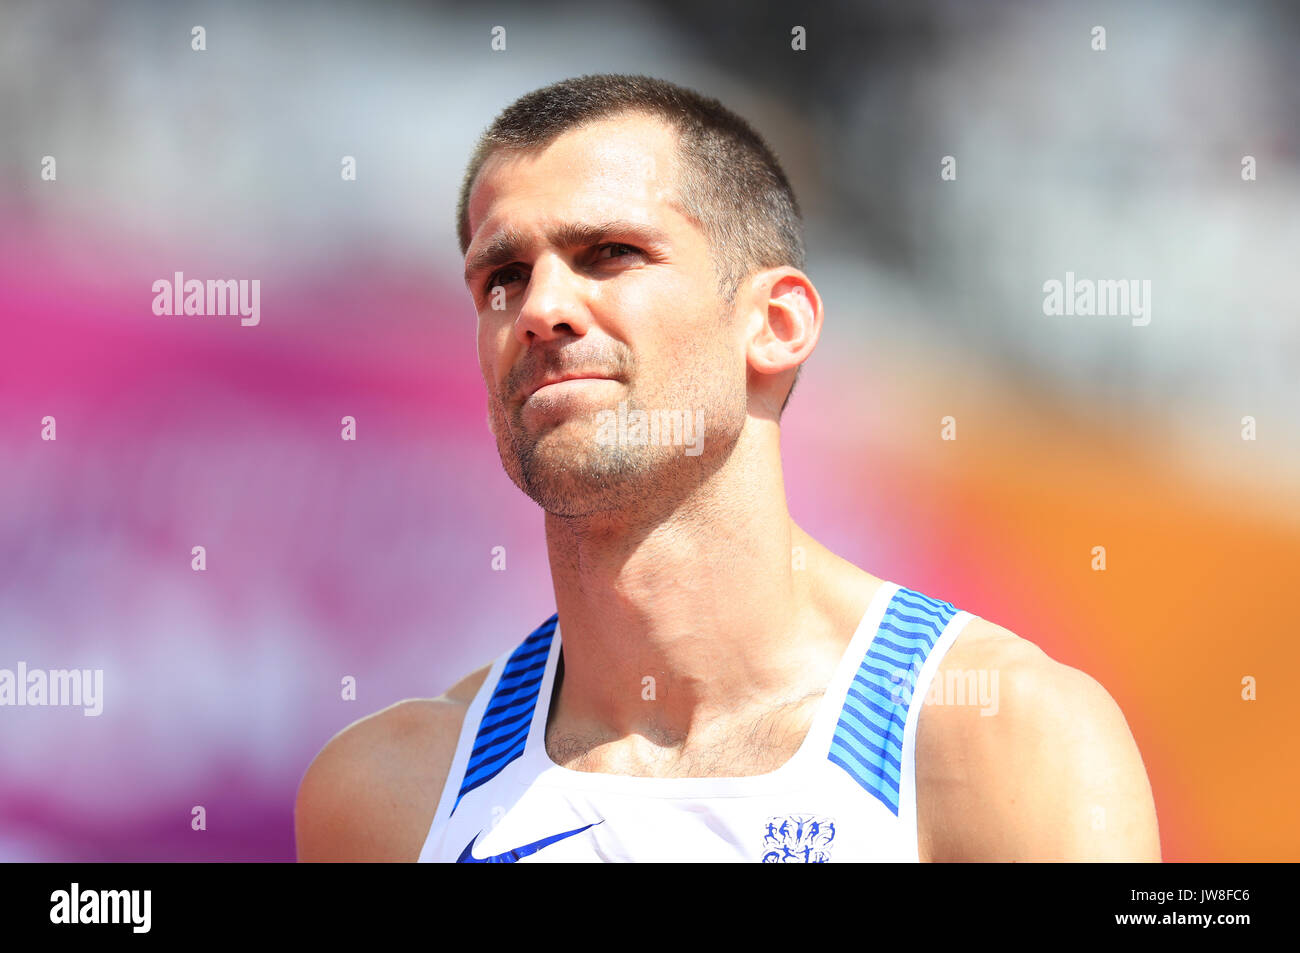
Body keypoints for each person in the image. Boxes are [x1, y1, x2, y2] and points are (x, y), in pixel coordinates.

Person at [295, 74, 1161, 863]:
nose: (541, 308)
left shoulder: (1004, 738)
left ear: (777, 324)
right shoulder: (388, 795)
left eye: (611, 253)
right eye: (503, 276)